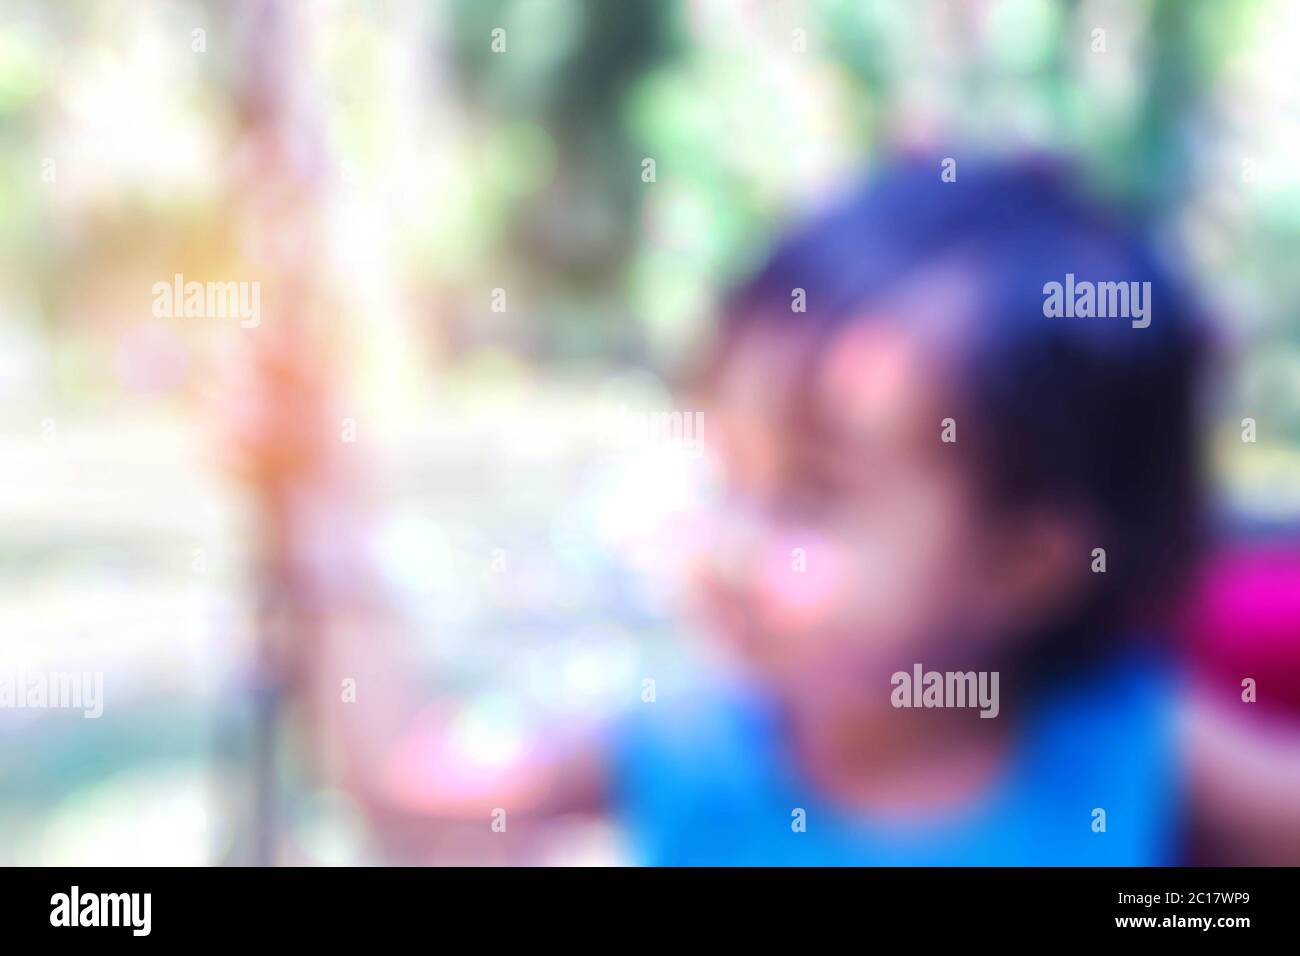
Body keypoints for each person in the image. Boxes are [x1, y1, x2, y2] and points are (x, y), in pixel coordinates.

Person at [301, 156, 1212, 864]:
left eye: (808, 499)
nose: (731, 544)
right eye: (727, 479)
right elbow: (418, 810)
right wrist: (317, 517)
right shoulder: (688, 751)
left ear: (1020, 566)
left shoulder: (1138, 756)